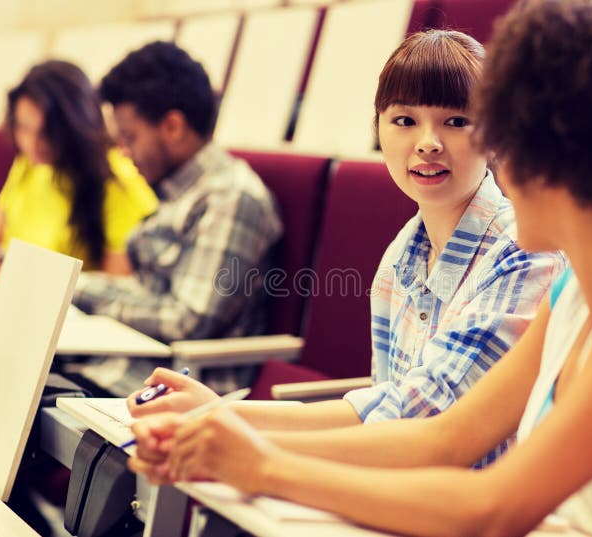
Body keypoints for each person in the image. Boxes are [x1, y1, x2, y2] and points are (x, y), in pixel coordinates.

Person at [128, 1, 592, 536]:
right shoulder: (581, 284)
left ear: (577, 153)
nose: (496, 159)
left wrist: (258, 465)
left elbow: (493, 509)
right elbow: (447, 438)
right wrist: (225, 423)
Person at [127, 29, 564, 467]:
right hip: (397, 484)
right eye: (404, 121)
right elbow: (387, 406)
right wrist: (216, 414)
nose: (428, 142)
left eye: (456, 121)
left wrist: (228, 419)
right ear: (377, 129)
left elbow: (426, 409)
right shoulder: (401, 254)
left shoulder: (524, 250)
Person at [71, 41, 282, 394]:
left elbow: (186, 320)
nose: (124, 152)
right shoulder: (177, 191)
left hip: (171, 390)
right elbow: (149, 291)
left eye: (129, 137)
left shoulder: (231, 197)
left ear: (172, 126)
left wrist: (82, 293)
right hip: (121, 367)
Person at [0, 60, 157, 283]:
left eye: (47, 132)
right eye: (24, 127)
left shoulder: (117, 179)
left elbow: (115, 288)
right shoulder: (29, 163)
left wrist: (17, 274)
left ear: (76, 126)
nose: (33, 143)